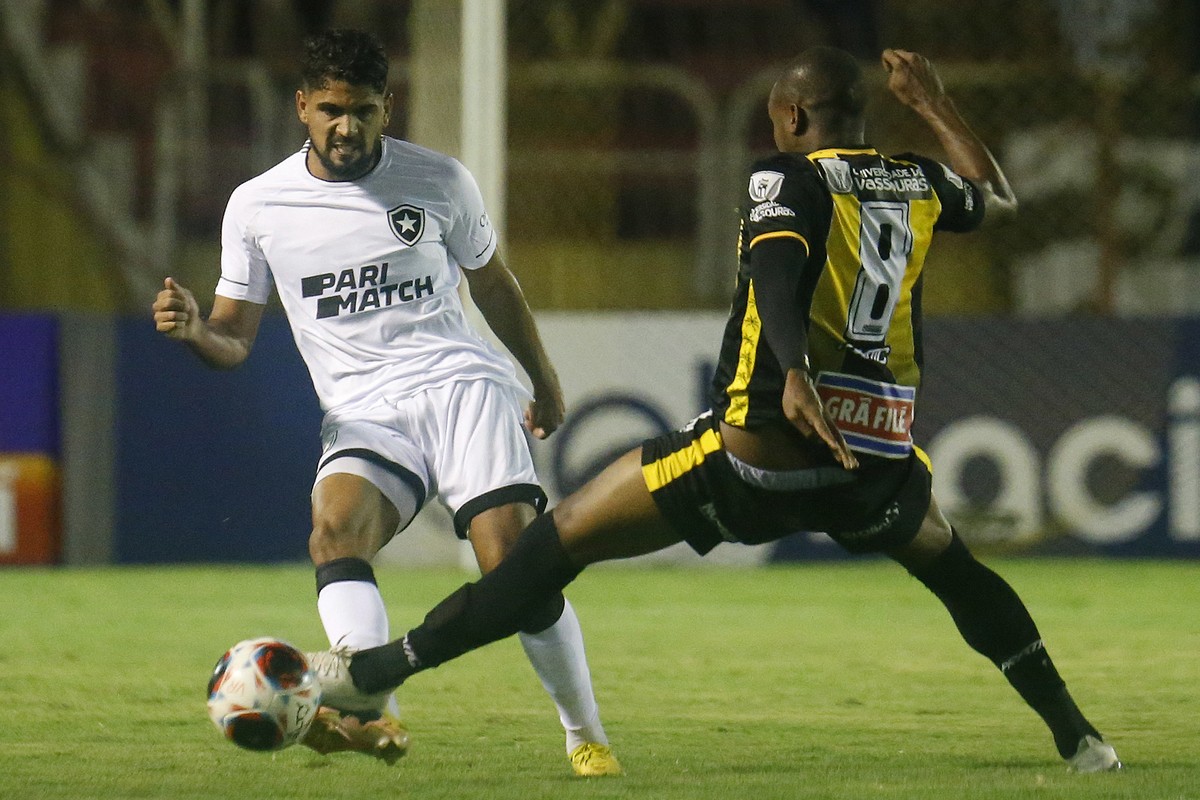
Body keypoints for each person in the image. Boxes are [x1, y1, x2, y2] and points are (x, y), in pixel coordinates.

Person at [311, 46, 1122, 774]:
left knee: (550, 547)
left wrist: (795, 372)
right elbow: (998, 198)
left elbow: (777, 265)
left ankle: (380, 671)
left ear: (794, 117)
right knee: (956, 571)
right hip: (870, 468)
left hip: (753, 456)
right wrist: (935, 104)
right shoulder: (913, 180)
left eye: (777, 115)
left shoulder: (787, 176)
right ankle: (1079, 736)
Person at [152, 29, 621, 776]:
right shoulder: (257, 206)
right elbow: (233, 341)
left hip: (461, 387)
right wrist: (193, 332)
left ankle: (583, 732)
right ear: (302, 106)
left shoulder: (438, 181)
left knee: (517, 573)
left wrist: (544, 380)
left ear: (386, 107)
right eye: (332, 110)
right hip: (365, 410)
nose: (348, 127)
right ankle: (374, 707)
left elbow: (493, 285)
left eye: (364, 110)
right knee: (334, 534)